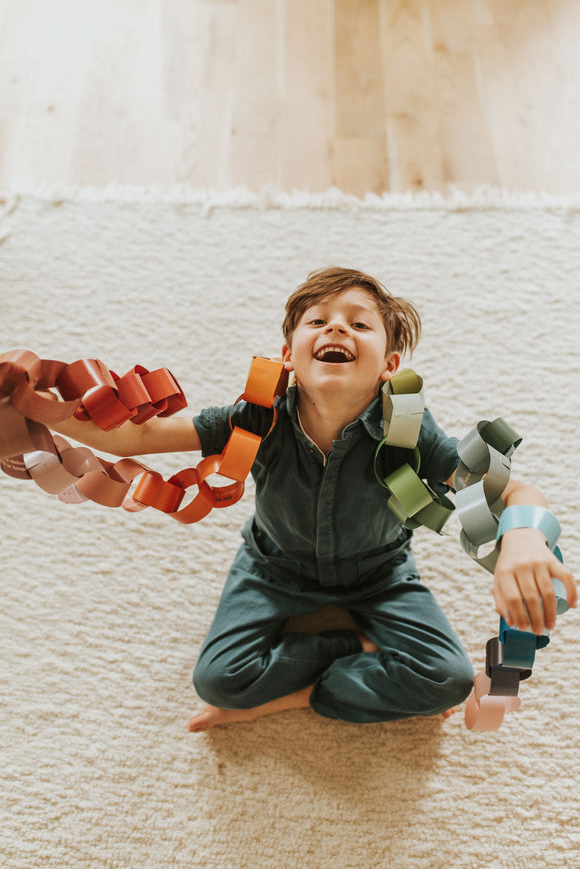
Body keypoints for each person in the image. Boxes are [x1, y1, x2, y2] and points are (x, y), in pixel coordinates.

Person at [50, 267, 576, 732]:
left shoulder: (410, 431)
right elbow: (137, 436)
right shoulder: (256, 418)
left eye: (359, 323)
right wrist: (39, 411)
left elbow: (512, 492)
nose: (337, 328)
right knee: (218, 680)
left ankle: (291, 698)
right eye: (318, 321)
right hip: (273, 567)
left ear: (389, 364)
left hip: (381, 573)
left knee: (449, 680)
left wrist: (524, 537)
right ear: (287, 357)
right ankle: (356, 646)